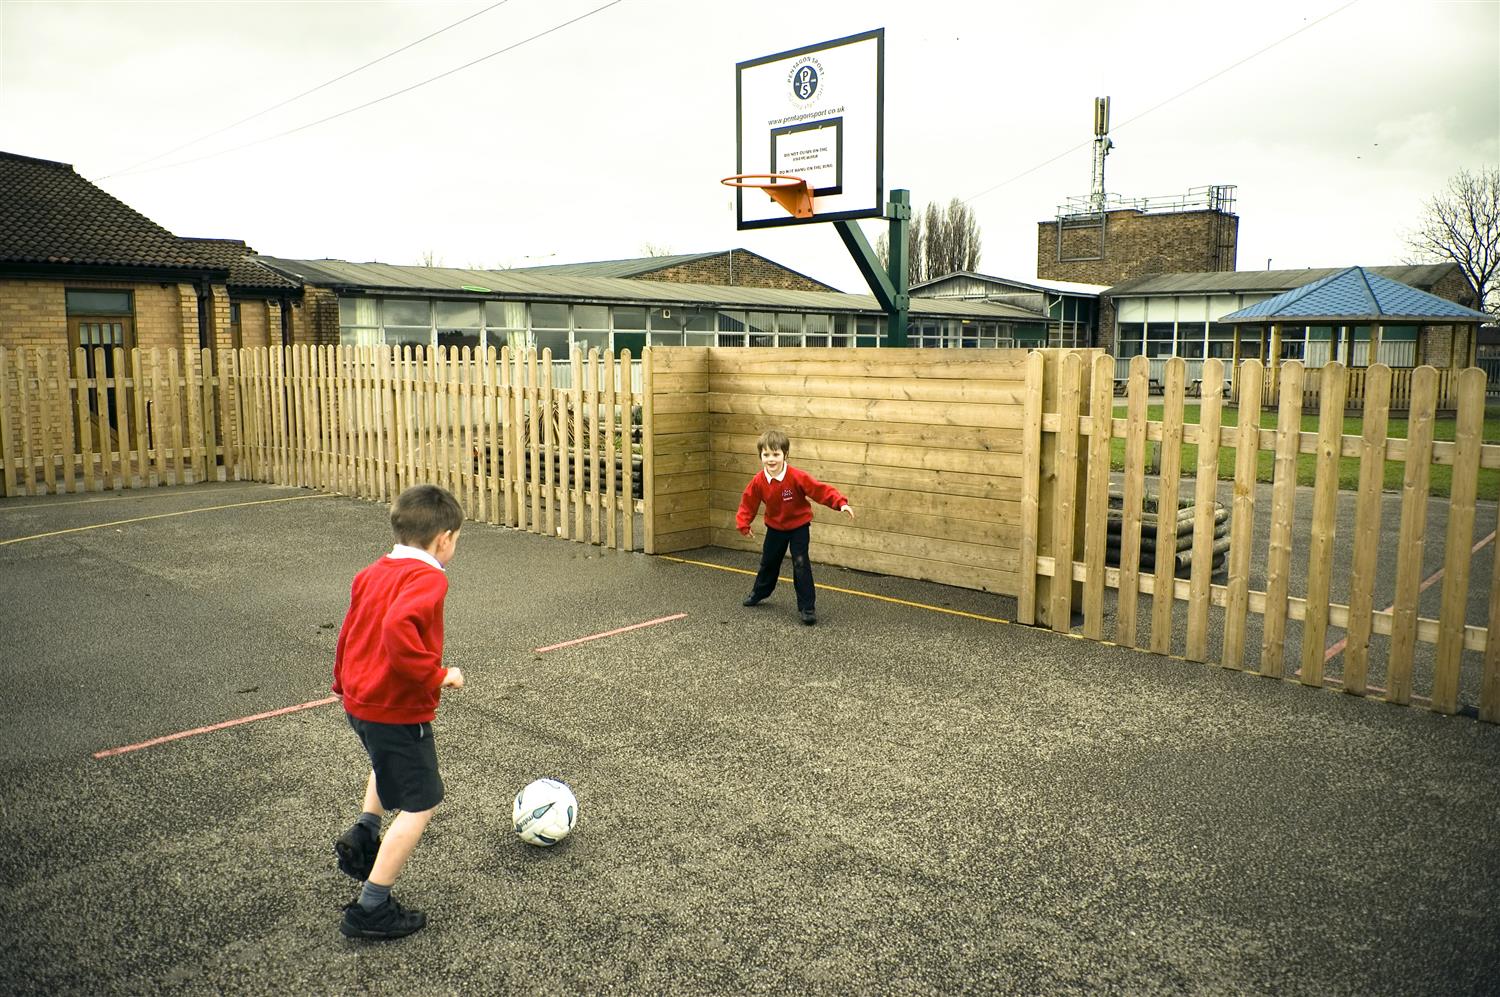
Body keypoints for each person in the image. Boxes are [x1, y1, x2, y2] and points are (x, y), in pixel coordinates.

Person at [331, 483, 465, 940]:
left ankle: (365, 834)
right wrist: (437, 675)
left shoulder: (371, 572)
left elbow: (350, 632)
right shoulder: (429, 578)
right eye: (457, 540)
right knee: (421, 804)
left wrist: (341, 683)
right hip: (396, 710)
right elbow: (395, 629)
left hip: (361, 702)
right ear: (444, 538)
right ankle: (372, 907)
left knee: (382, 762)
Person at [736, 428, 854, 625]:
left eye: (776, 454)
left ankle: (807, 607)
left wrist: (840, 503)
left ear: (785, 455)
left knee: (800, 564)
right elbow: (748, 503)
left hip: (799, 527)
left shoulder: (796, 476)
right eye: (766, 455)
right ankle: (759, 592)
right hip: (775, 528)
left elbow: (819, 490)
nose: (771, 459)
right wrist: (744, 524)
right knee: (768, 562)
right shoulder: (758, 481)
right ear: (760, 456)